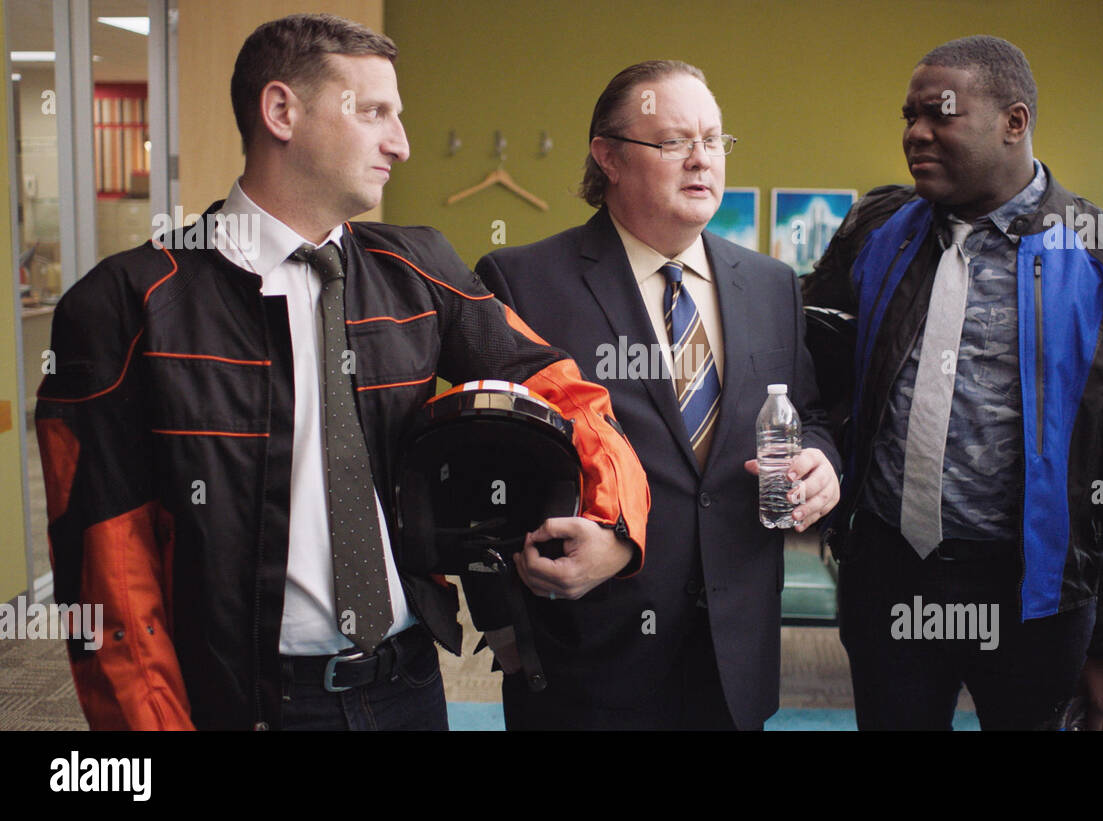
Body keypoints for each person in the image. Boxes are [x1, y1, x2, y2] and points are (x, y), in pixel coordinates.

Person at [34, 13, 649, 731]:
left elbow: (562, 389)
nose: (402, 142)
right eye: (375, 113)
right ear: (280, 111)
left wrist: (616, 522)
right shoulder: (125, 305)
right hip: (250, 705)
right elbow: (108, 574)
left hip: (410, 687)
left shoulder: (419, 267)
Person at [803, 35, 1103, 731]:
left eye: (940, 113)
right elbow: (815, 370)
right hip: (892, 582)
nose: (914, 133)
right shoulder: (877, 230)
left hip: (1037, 602)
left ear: (1014, 122)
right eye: (908, 115)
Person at [473, 60, 840, 730]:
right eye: (673, 142)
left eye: (713, 139)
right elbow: (487, 473)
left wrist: (823, 466)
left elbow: (808, 417)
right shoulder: (523, 282)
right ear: (607, 156)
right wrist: (509, 621)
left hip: (734, 660)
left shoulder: (773, 285)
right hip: (588, 662)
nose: (702, 160)